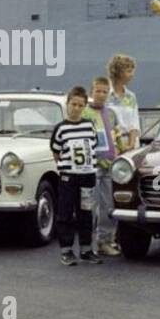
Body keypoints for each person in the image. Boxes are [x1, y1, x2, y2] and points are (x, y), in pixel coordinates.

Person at [51, 86, 100, 266]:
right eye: (73, 104)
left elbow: (94, 145)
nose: (76, 108)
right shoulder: (61, 129)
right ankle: (66, 250)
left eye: (80, 105)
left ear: (85, 106)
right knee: (65, 213)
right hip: (69, 178)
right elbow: (56, 151)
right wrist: (66, 167)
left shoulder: (89, 125)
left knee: (86, 213)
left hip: (87, 177)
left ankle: (86, 249)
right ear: (68, 104)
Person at [83, 74, 120, 256]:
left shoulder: (111, 114)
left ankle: (104, 241)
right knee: (89, 206)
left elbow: (117, 137)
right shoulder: (84, 113)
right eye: (98, 91)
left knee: (108, 205)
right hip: (91, 166)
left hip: (109, 166)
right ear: (92, 92)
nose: (101, 95)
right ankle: (86, 244)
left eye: (105, 92)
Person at [106, 53, 140, 158]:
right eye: (129, 71)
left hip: (129, 145)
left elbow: (134, 124)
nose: (132, 75)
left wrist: (131, 145)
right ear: (119, 72)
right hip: (109, 144)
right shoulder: (104, 94)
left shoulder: (131, 97)